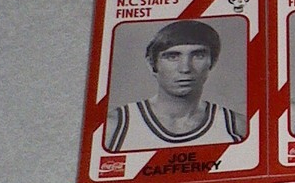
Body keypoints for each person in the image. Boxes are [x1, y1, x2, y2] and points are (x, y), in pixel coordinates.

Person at [106, 20, 247, 151]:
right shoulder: (115, 126)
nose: (185, 68)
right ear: (151, 64)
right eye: (172, 57)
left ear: (212, 62)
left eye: (198, 55)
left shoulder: (238, 126)